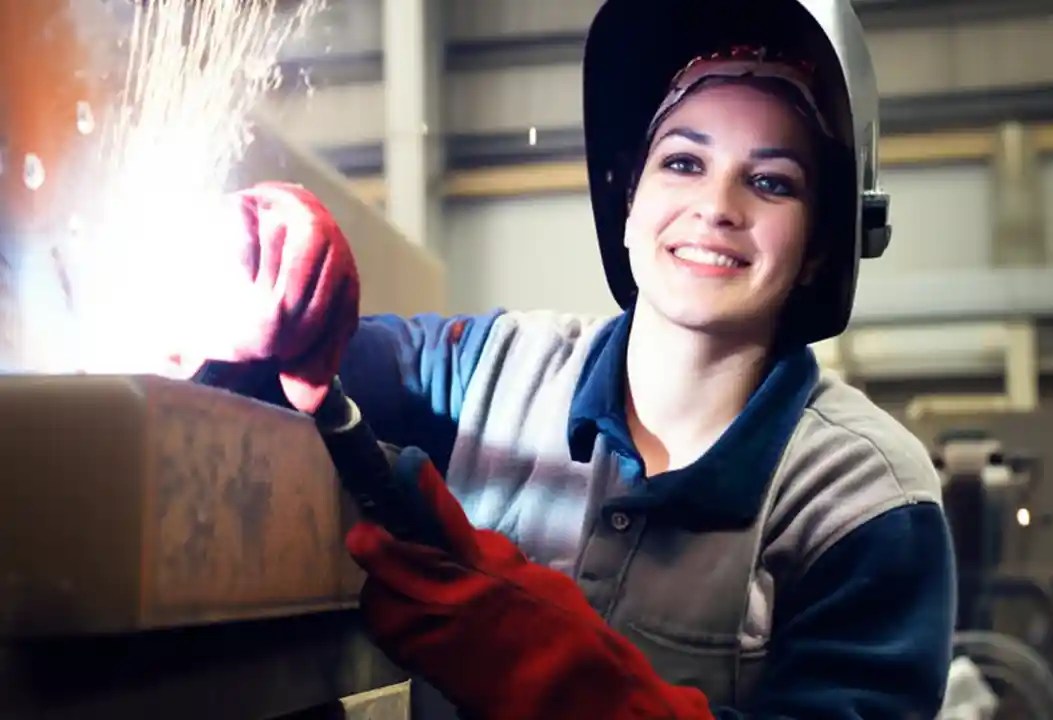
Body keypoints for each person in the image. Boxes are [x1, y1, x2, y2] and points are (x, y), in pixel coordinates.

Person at [197, 0, 957, 717]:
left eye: (770, 181)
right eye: (684, 164)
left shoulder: (866, 501)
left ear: (822, 247)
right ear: (627, 199)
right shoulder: (487, 372)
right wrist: (273, 277)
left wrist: (562, 679)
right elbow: (258, 387)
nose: (718, 206)